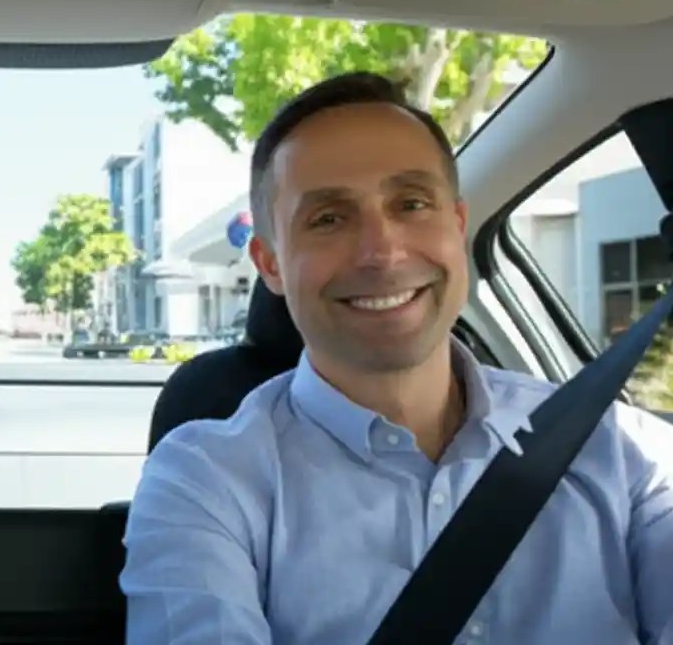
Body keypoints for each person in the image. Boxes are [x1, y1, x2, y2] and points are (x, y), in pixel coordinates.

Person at [119, 72, 673, 644]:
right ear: (270, 264)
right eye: (328, 218)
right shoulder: (205, 482)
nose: (382, 251)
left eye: (411, 203)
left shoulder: (624, 449)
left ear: (457, 228)